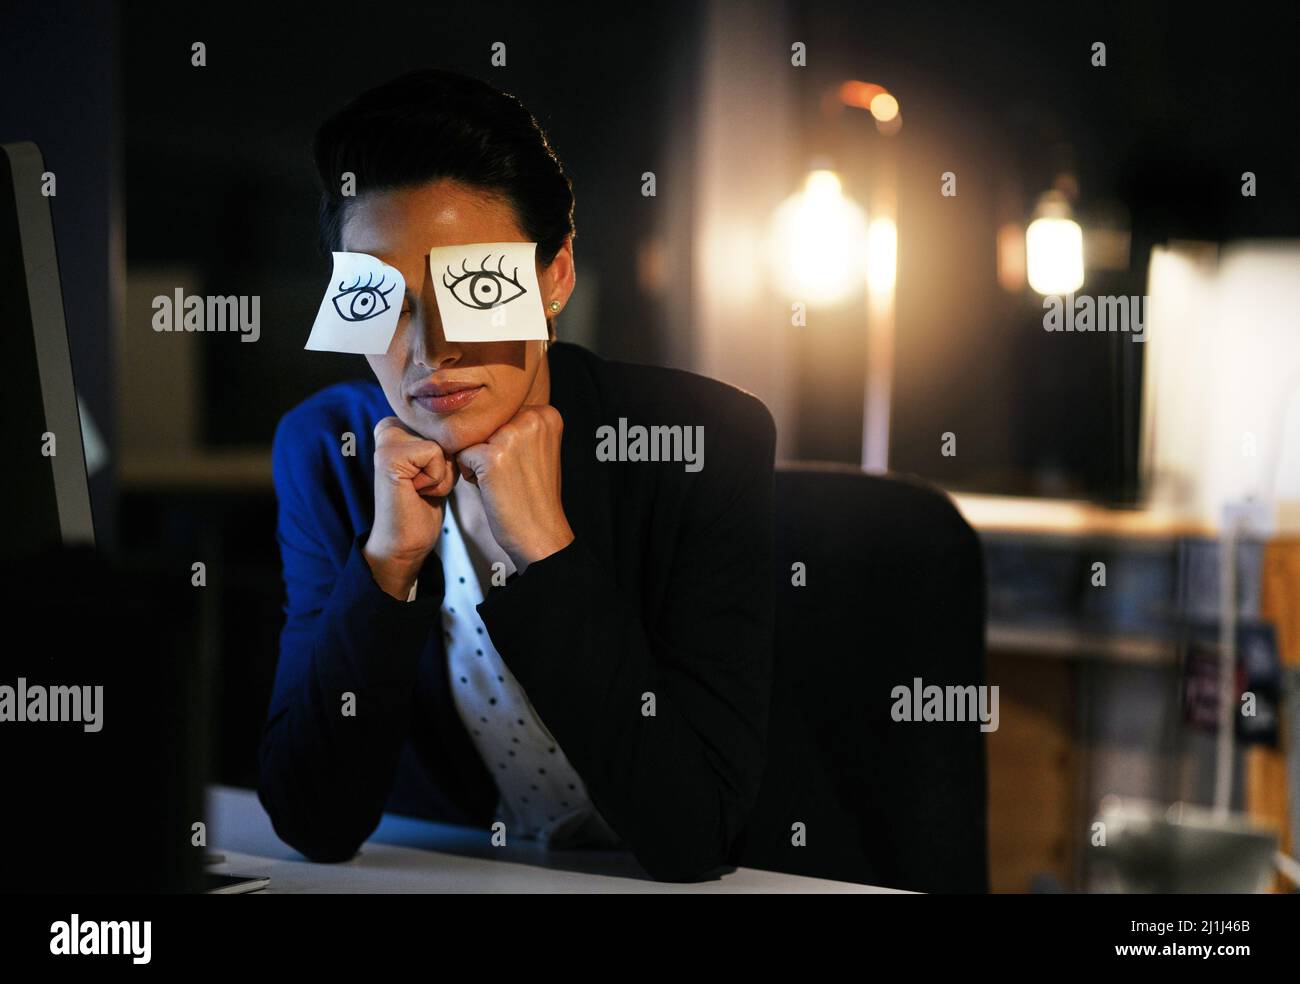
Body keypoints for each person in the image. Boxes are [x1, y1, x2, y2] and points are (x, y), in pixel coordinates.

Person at [257, 68, 776, 883]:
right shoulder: (327, 453)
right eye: (382, 301)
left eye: (476, 290)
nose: (433, 352)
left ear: (555, 277)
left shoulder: (700, 440)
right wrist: (386, 566)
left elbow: (694, 840)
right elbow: (313, 824)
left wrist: (548, 551)